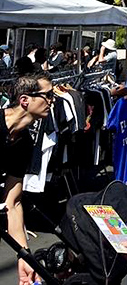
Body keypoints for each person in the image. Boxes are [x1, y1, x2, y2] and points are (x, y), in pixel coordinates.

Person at [1, 72, 54, 285]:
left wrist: (25, 255)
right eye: (48, 95)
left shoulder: (23, 143)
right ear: (25, 100)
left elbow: (12, 203)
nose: (52, 100)